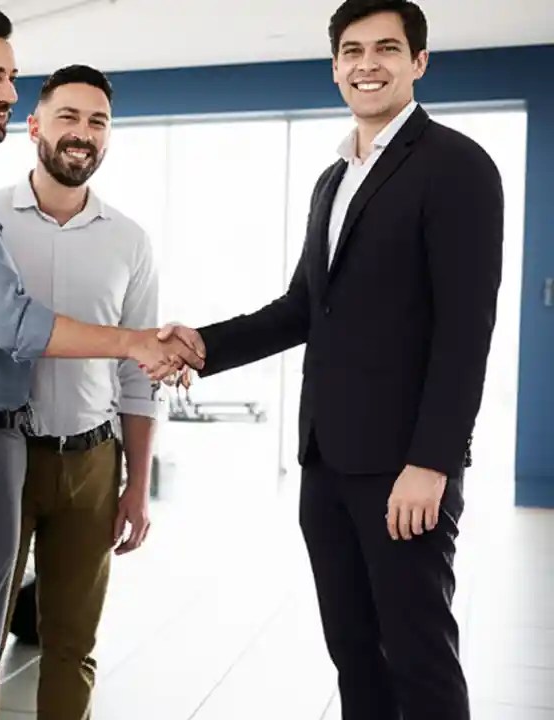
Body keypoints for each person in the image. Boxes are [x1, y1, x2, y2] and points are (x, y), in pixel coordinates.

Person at [161, 1, 503, 718]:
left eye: (386, 48)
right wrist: (203, 346)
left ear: (419, 62)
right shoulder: (334, 178)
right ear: (335, 67)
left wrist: (432, 462)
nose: (367, 64)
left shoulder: (456, 165)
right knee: (354, 652)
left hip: (403, 467)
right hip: (326, 460)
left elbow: (465, 331)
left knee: (419, 658)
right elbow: (304, 308)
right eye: (352, 51)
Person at [0, 9, 202, 720]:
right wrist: (134, 341)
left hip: (50, 450)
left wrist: (136, 477)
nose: (7, 91)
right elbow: (8, 322)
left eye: (11, 77)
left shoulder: (120, 238)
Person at [0, 64, 160, 720]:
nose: (83, 132)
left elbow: (138, 373)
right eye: (69, 117)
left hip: (93, 464)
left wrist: (137, 485)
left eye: (98, 121)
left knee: (73, 645)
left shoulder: (130, 241)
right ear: (34, 126)